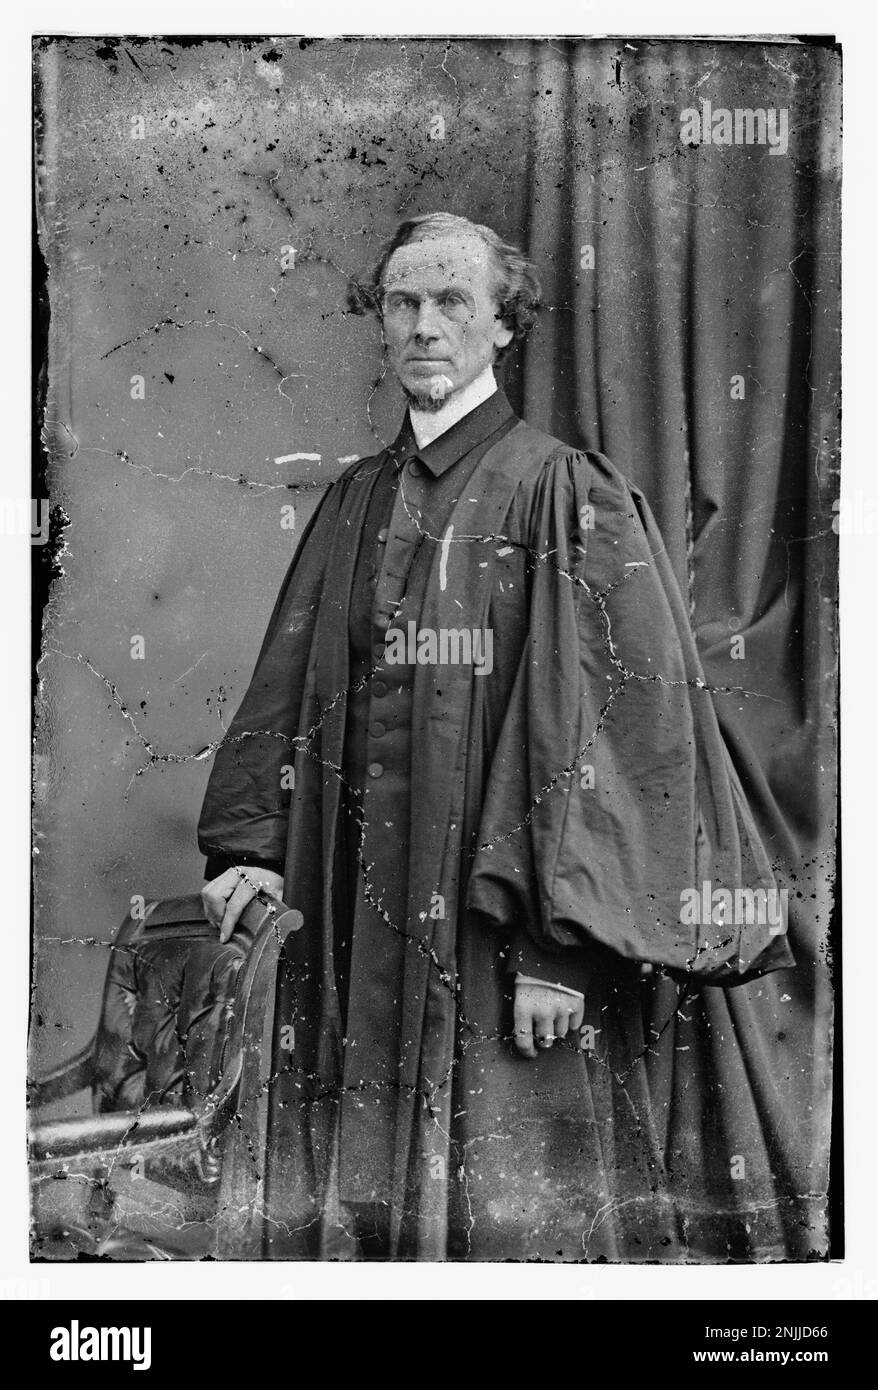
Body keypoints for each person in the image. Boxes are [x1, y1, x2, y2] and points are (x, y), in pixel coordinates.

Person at [197, 211, 794, 1261]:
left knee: (515, 1224)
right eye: (403, 303)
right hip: (348, 922)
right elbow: (282, 690)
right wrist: (244, 849)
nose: (425, 325)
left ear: (503, 325)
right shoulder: (351, 500)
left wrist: (555, 952)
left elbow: (616, 742)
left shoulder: (563, 493)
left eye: (451, 302)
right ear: (381, 324)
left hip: (503, 946)